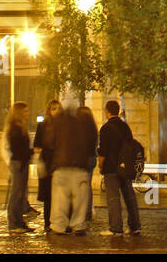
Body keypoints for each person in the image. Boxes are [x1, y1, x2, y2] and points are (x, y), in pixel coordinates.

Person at [47, 96, 98, 235]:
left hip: (61, 166)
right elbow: (92, 142)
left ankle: (58, 225)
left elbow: (50, 142)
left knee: (60, 200)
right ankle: (79, 224)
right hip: (80, 167)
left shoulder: (59, 122)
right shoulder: (85, 124)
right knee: (80, 200)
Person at [98, 99, 141, 237]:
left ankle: (116, 228)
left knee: (113, 198)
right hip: (126, 167)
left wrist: (100, 165)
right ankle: (135, 226)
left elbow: (103, 151)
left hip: (111, 168)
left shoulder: (105, 128)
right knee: (129, 196)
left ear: (107, 111)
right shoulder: (125, 127)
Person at [32, 99, 62, 232]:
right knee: (48, 196)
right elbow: (37, 145)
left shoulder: (64, 126)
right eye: (53, 108)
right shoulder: (43, 125)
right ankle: (48, 222)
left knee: (60, 195)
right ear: (49, 110)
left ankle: (58, 222)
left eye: (58, 108)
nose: (56, 111)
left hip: (60, 162)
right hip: (47, 161)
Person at [4, 102, 33, 232]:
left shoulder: (20, 127)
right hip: (19, 163)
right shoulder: (15, 129)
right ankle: (14, 223)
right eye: (25, 111)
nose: (28, 114)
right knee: (17, 194)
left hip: (22, 162)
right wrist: (32, 151)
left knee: (20, 194)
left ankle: (19, 222)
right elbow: (17, 149)